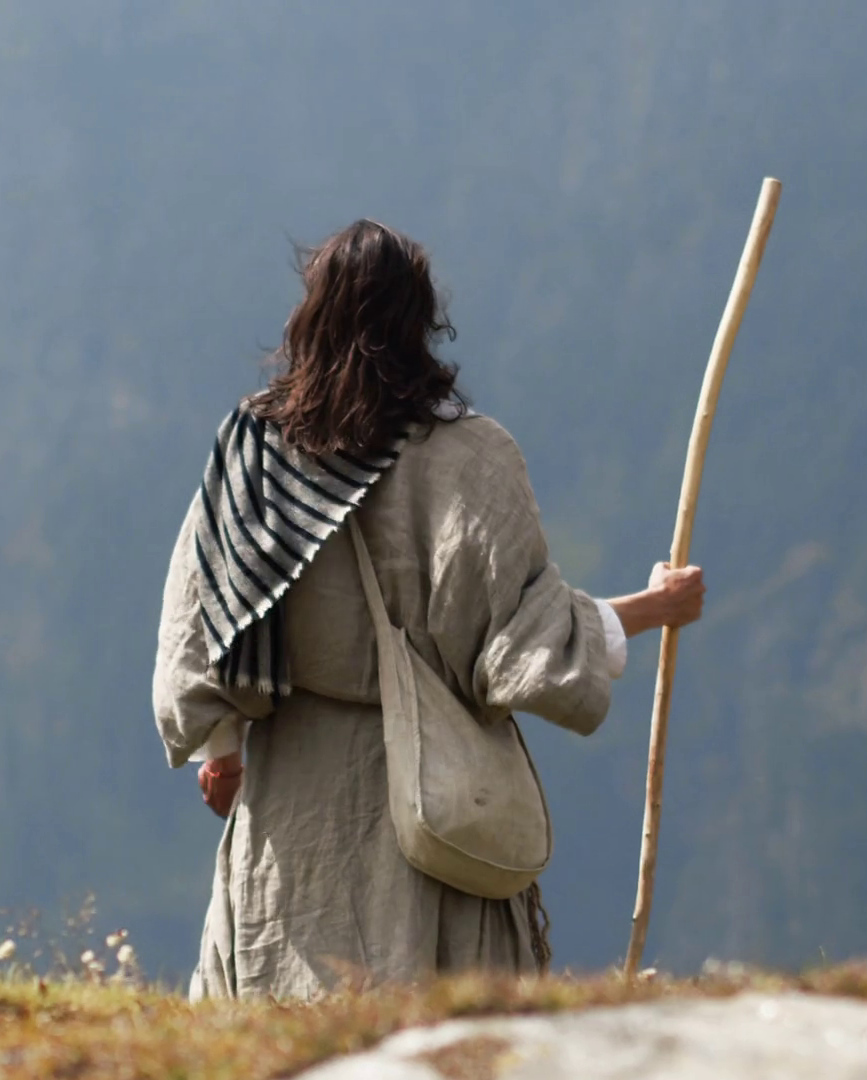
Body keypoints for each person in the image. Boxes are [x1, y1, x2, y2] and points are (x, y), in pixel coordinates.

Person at [151, 219, 706, 1001]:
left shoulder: (254, 449)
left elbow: (203, 616)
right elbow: (522, 644)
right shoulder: (470, 458)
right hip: (431, 800)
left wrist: (223, 744)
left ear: (311, 318)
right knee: (425, 1028)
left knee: (282, 1026)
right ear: (418, 322)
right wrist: (654, 607)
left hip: (289, 804)